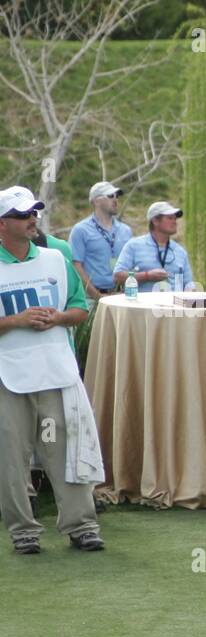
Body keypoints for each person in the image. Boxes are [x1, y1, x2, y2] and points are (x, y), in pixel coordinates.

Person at [0, 186, 104, 554]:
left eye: (34, 213)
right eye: (22, 214)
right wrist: (16, 321)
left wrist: (58, 318)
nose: (32, 220)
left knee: (65, 452)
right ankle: (23, 533)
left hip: (56, 372)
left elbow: (80, 308)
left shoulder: (56, 257)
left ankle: (82, 526)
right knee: (11, 459)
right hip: (9, 377)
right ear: (2, 224)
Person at [68, 181, 132, 302]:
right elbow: (76, 266)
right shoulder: (81, 230)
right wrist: (97, 296)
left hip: (122, 296)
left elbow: (130, 263)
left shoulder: (126, 230)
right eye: (110, 196)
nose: (115, 200)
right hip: (93, 298)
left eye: (117, 196)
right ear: (96, 201)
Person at [113, 201, 193, 293]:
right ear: (155, 221)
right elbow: (117, 277)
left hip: (172, 302)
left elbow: (188, 285)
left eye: (175, 218)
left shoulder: (180, 252)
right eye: (170, 218)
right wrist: (147, 276)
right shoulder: (133, 246)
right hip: (141, 302)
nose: (174, 222)